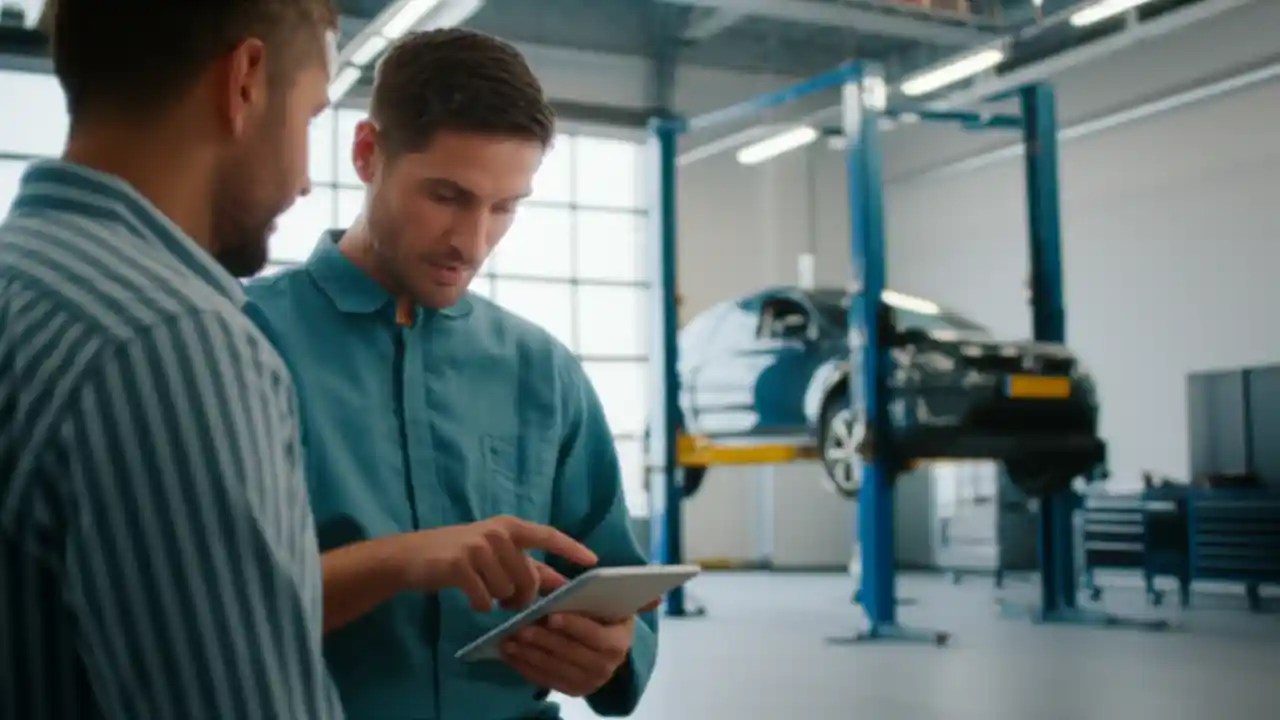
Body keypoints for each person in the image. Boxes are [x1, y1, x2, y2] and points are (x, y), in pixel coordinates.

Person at [244, 29, 659, 720]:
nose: (472, 242)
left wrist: (612, 651)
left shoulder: (541, 371)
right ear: (368, 154)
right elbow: (200, 608)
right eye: (447, 195)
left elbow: (616, 584)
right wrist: (397, 562)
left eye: (505, 208)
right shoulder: (244, 341)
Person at [0, 1, 348, 717]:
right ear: (245, 80)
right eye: (311, 118)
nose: (306, 181)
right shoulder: (174, 343)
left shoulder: (24, 284)